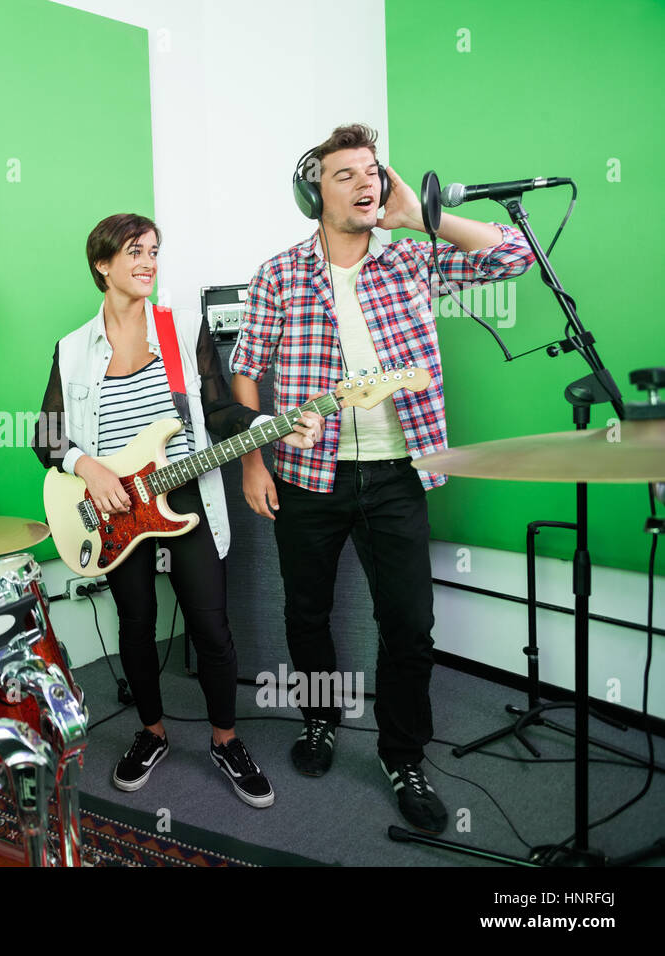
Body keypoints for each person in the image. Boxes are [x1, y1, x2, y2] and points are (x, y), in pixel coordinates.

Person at [230, 123, 536, 833]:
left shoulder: (413, 260)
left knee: (409, 625)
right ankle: (320, 719)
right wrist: (253, 460)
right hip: (309, 474)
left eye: (373, 171)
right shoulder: (278, 273)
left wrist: (422, 216)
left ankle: (403, 754)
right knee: (305, 615)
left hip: (399, 474)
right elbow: (246, 366)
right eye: (346, 174)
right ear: (314, 192)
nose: (367, 182)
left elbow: (517, 256)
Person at [34, 214, 322, 808]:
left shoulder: (178, 329)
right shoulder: (71, 350)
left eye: (155, 252)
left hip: (186, 492)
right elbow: (47, 436)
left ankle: (226, 740)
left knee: (211, 625)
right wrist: (88, 467)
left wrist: (263, 425)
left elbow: (216, 412)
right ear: (102, 264)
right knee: (134, 623)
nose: (147, 261)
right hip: (111, 504)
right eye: (134, 251)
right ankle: (153, 732)